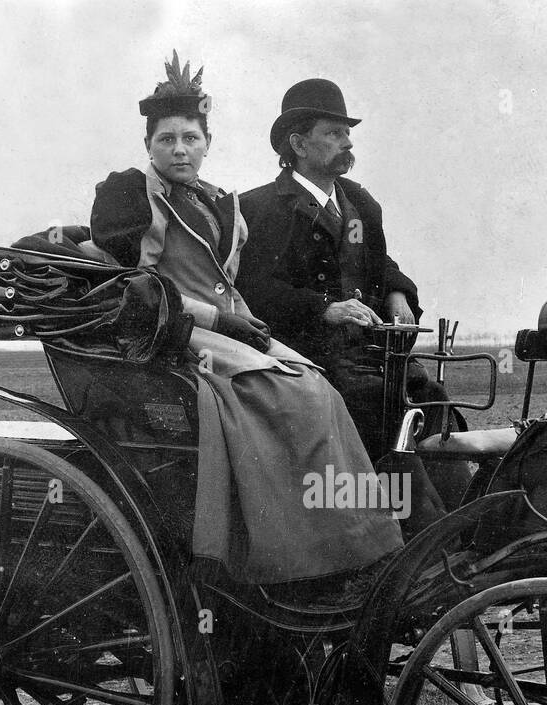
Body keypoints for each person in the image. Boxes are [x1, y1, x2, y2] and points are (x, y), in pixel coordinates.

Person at [90, 54, 402, 585]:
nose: (180, 149)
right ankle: (287, 550)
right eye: (166, 140)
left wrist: (249, 322)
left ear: (207, 143)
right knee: (298, 397)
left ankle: (352, 542)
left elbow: (236, 283)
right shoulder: (134, 194)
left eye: (190, 138)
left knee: (317, 386)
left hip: (231, 324)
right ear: (149, 146)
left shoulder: (217, 201)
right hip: (177, 330)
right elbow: (135, 288)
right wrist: (226, 320)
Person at [236, 79, 454, 463]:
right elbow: (254, 288)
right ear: (299, 145)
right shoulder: (258, 209)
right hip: (309, 359)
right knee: (371, 410)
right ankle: (391, 513)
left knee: (432, 397)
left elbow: (379, 262)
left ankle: (446, 514)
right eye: (334, 133)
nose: (348, 143)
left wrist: (396, 293)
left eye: (347, 134)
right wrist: (324, 308)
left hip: (374, 355)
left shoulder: (361, 202)